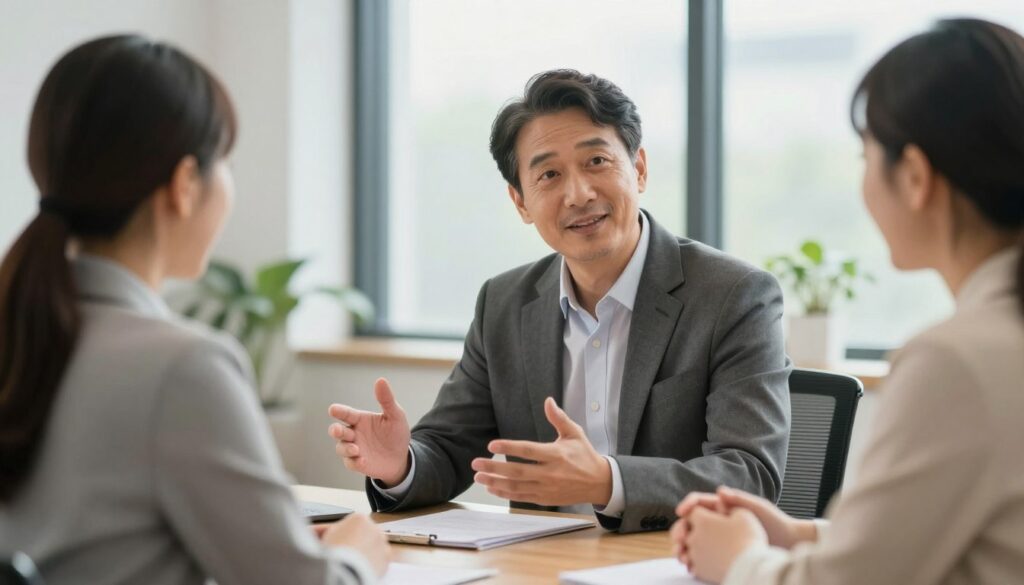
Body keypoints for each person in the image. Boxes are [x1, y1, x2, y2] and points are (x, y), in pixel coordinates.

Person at [328, 69, 791, 533]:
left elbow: (749, 475)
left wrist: (607, 482)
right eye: (549, 174)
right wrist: (398, 466)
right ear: (521, 202)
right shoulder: (504, 304)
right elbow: (448, 447)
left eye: (596, 162)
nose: (579, 194)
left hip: (676, 563)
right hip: (540, 567)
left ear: (640, 169)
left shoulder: (734, 295)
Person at [0, 35, 388, 584]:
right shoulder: (180, 367)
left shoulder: (23, 332)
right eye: (222, 160)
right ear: (184, 184)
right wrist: (356, 555)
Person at [671, 17, 1024, 585]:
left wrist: (738, 559)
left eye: (865, 158)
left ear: (913, 176)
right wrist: (803, 534)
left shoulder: (957, 362)